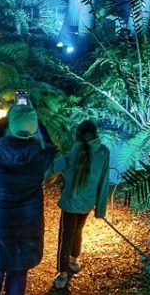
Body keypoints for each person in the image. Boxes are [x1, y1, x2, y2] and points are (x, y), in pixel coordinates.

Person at [0, 103, 56, 295]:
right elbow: (51, 147)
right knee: (18, 273)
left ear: (10, 125)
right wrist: (38, 123)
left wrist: (0, 126)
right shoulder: (41, 157)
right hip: (25, 226)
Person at [48, 120, 111, 290]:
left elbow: (54, 167)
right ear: (96, 134)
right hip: (88, 204)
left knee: (66, 236)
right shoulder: (104, 152)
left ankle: (62, 273)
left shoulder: (72, 154)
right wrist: (100, 209)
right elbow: (104, 181)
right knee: (78, 230)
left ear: (78, 135)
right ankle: (74, 260)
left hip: (70, 203)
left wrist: (53, 152)